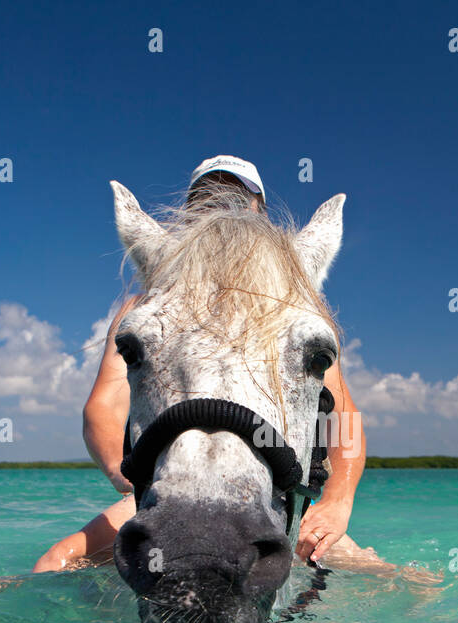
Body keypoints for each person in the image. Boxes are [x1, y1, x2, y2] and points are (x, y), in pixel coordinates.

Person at [33, 156, 372, 573]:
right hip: (172, 472)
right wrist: (132, 478)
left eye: (235, 196)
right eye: (206, 196)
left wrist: (336, 503)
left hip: (278, 484)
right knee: (56, 563)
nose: (220, 205)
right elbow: (103, 405)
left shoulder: (294, 308)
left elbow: (343, 416)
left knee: (402, 581)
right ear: (190, 210)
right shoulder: (142, 307)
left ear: (258, 210)